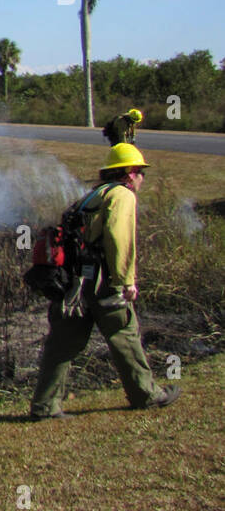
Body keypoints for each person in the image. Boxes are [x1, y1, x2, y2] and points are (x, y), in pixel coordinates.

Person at [29, 143, 182, 420]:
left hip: (75, 284)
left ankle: (45, 407)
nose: (143, 179)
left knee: (63, 342)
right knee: (124, 332)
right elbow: (118, 237)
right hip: (102, 280)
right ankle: (146, 395)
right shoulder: (122, 195)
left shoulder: (94, 195)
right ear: (131, 173)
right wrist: (126, 281)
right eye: (141, 173)